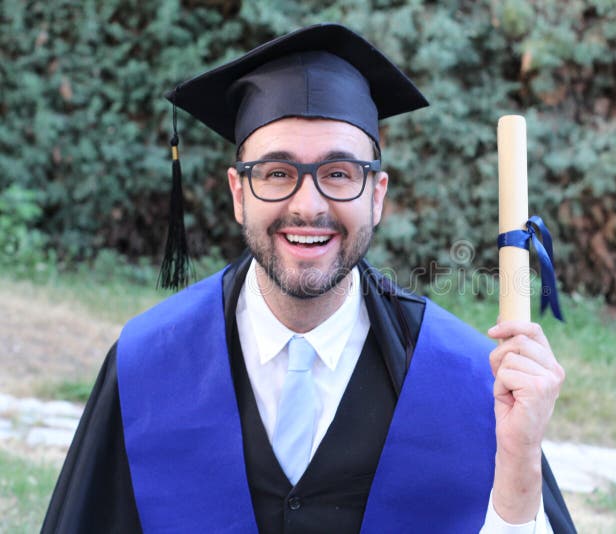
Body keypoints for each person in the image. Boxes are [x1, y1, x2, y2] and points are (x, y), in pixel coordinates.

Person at [43, 23, 576, 534]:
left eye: (338, 174)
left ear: (377, 194)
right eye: (277, 173)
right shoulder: (148, 366)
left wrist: (520, 459)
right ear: (237, 192)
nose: (308, 205)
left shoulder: (465, 379)